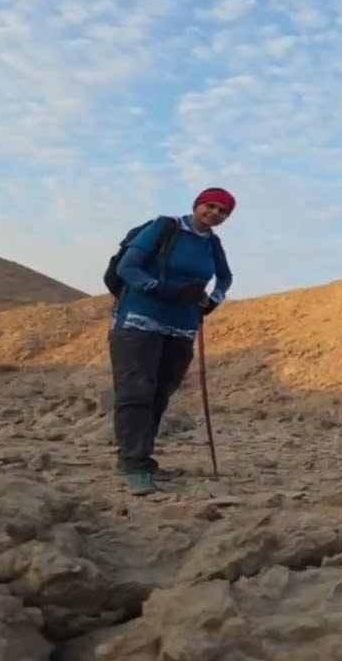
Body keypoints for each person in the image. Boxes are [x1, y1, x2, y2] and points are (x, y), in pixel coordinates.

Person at [108, 187, 234, 496]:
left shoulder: (212, 244)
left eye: (223, 211)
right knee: (137, 389)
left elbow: (225, 277)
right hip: (139, 318)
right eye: (210, 206)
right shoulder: (165, 227)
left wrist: (212, 300)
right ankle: (133, 462)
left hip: (181, 326)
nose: (214, 213)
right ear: (197, 205)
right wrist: (160, 288)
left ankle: (142, 458)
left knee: (160, 392)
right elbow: (128, 268)